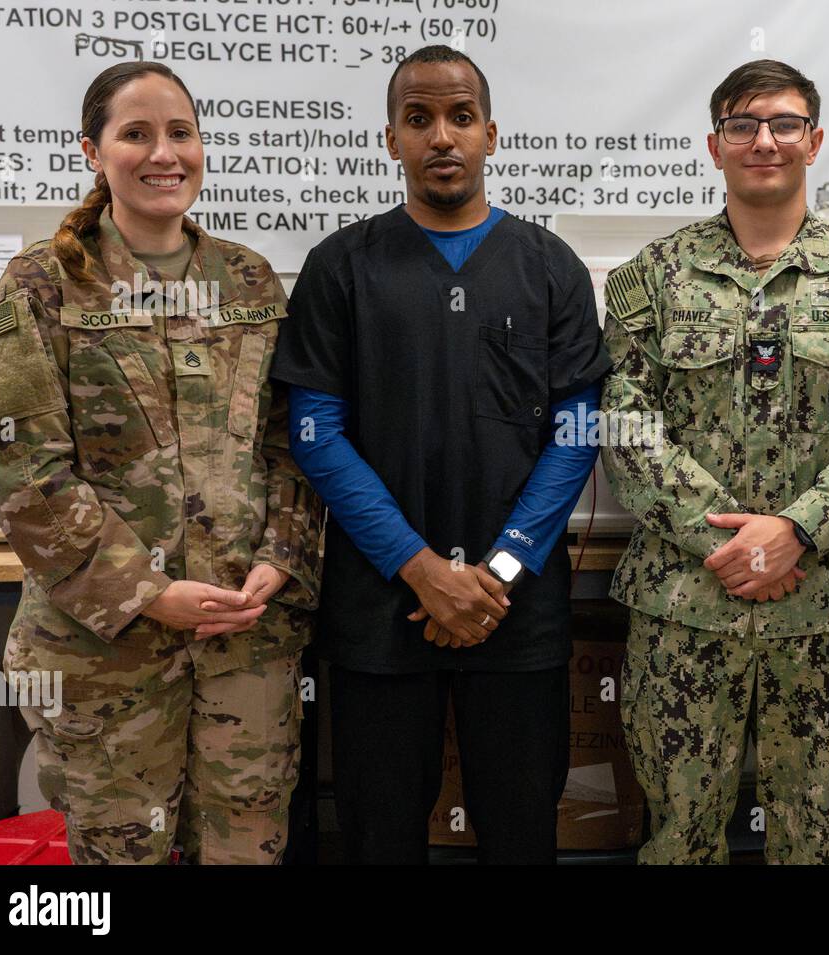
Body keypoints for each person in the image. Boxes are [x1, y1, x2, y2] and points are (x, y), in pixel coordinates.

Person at [0, 62, 323, 864]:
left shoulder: (249, 280)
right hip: (108, 657)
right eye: (137, 134)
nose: (164, 153)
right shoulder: (41, 284)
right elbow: (25, 472)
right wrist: (150, 593)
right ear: (93, 150)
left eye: (180, 133)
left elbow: (289, 446)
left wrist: (281, 557)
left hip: (247, 648)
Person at [271, 45, 611, 865]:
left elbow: (576, 430)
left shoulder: (549, 267)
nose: (442, 136)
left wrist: (500, 569)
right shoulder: (340, 267)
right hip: (381, 606)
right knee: (380, 833)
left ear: (492, 133)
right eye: (418, 119)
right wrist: (420, 567)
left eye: (460, 116)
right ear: (390, 140)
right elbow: (316, 434)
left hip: (514, 608)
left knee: (522, 829)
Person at [599, 59, 829, 864]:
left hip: (821, 605)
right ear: (713, 146)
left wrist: (796, 530)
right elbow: (622, 423)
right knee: (679, 833)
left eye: (785, 124)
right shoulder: (651, 279)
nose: (765, 141)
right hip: (687, 599)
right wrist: (731, 544)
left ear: (815, 141)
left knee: (814, 834)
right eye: (743, 125)